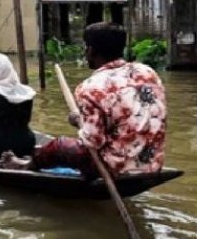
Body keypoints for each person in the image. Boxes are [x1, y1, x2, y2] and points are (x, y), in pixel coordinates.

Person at [28, 23, 166, 177]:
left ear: (90, 50)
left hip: (116, 167)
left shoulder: (90, 88)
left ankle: (27, 166)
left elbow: (93, 142)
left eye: (86, 47)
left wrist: (80, 124)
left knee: (60, 146)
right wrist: (82, 120)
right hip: (153, 162)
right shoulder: (148, 72)